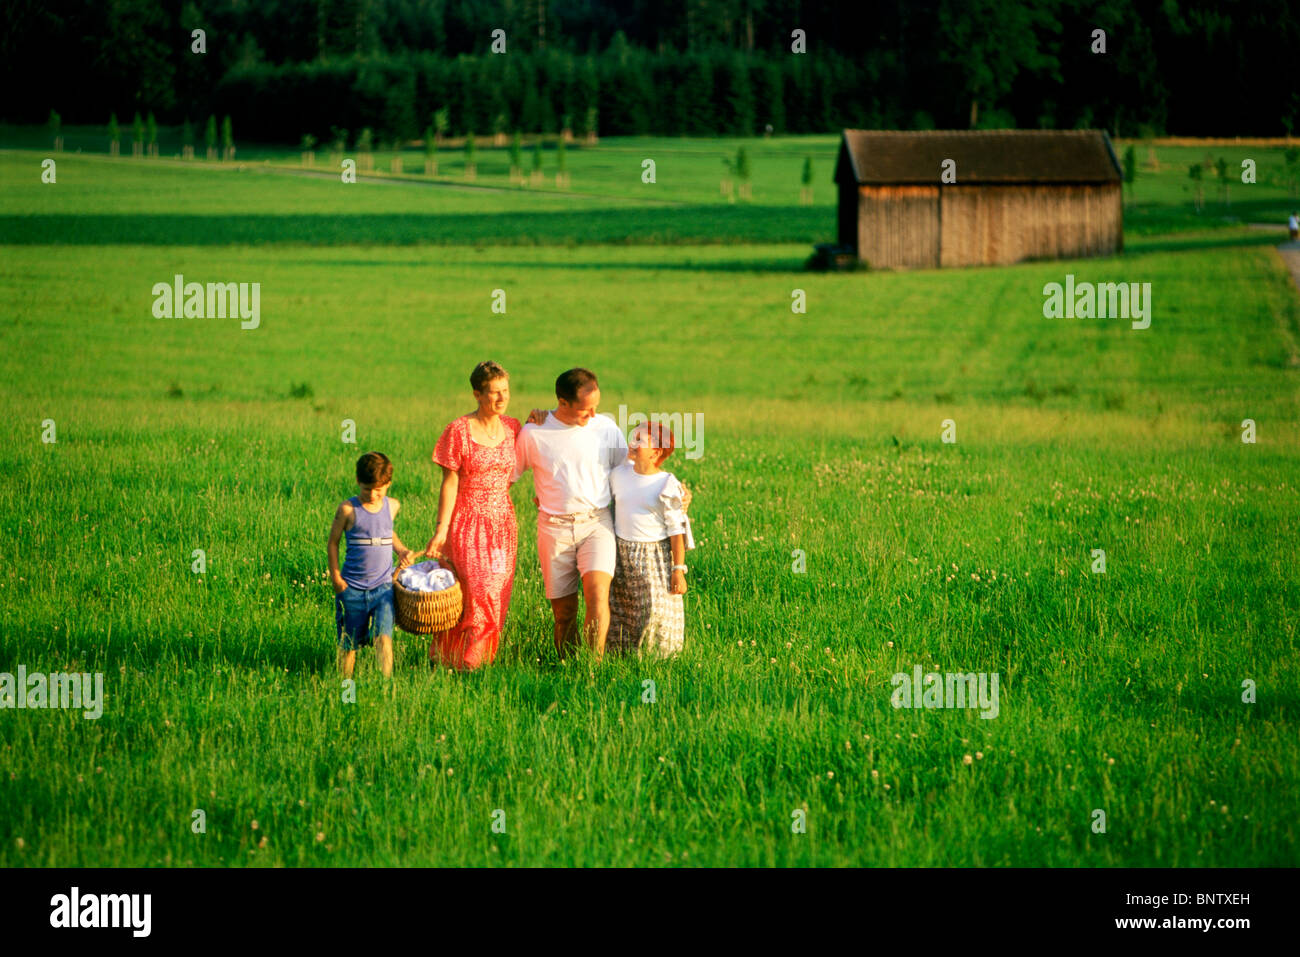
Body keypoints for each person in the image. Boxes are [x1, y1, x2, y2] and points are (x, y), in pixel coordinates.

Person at [513, 368, 626, 658]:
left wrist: (672, 494)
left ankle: (593, 668)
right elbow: (506, 476)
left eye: (596, 407)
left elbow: (628, 472)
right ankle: (566, 665)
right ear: (562, 403)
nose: (592, 416)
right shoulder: (534, 433)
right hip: (554, 528)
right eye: (585, 410)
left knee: (598, 595)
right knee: (564, 613)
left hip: (597, 522)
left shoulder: (606, 427)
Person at [426, 361, 522, 670]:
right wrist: (441, 531)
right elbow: (449, 482)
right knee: (475, 592)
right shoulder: (459, 430)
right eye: (493, 392)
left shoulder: (514, 427)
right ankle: (461, 661)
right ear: (477, 395)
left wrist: (545, 417)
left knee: (497, 593)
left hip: (503, 525)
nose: (501, 398)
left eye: (505, 391)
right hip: (467, 523)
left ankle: (476, 661)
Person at [327, 451, 421, 679]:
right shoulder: (348, 510)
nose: (372, 495)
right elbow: (333, 543)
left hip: (383, 589)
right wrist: (337, 578)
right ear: (358, 481)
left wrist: (401, 550)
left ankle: (385, 685)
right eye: (367, 489)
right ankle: (345, 683)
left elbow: (386, 532)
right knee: (349, 644)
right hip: (352, 589)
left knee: (383, 637)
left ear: (388, 484)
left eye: (378, 490)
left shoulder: (392, 506)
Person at [607, 420, 694, 658]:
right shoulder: (618, 475)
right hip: (622, 551)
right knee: (623, 606)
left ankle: (659, 657)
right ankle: (622, 657)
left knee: (655, 608)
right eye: (631, 438)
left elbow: (677, 531)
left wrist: (678, 569)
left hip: (654, 554)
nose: (631, 444)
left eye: (639, 440)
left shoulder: (666, 483)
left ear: (656, 452)